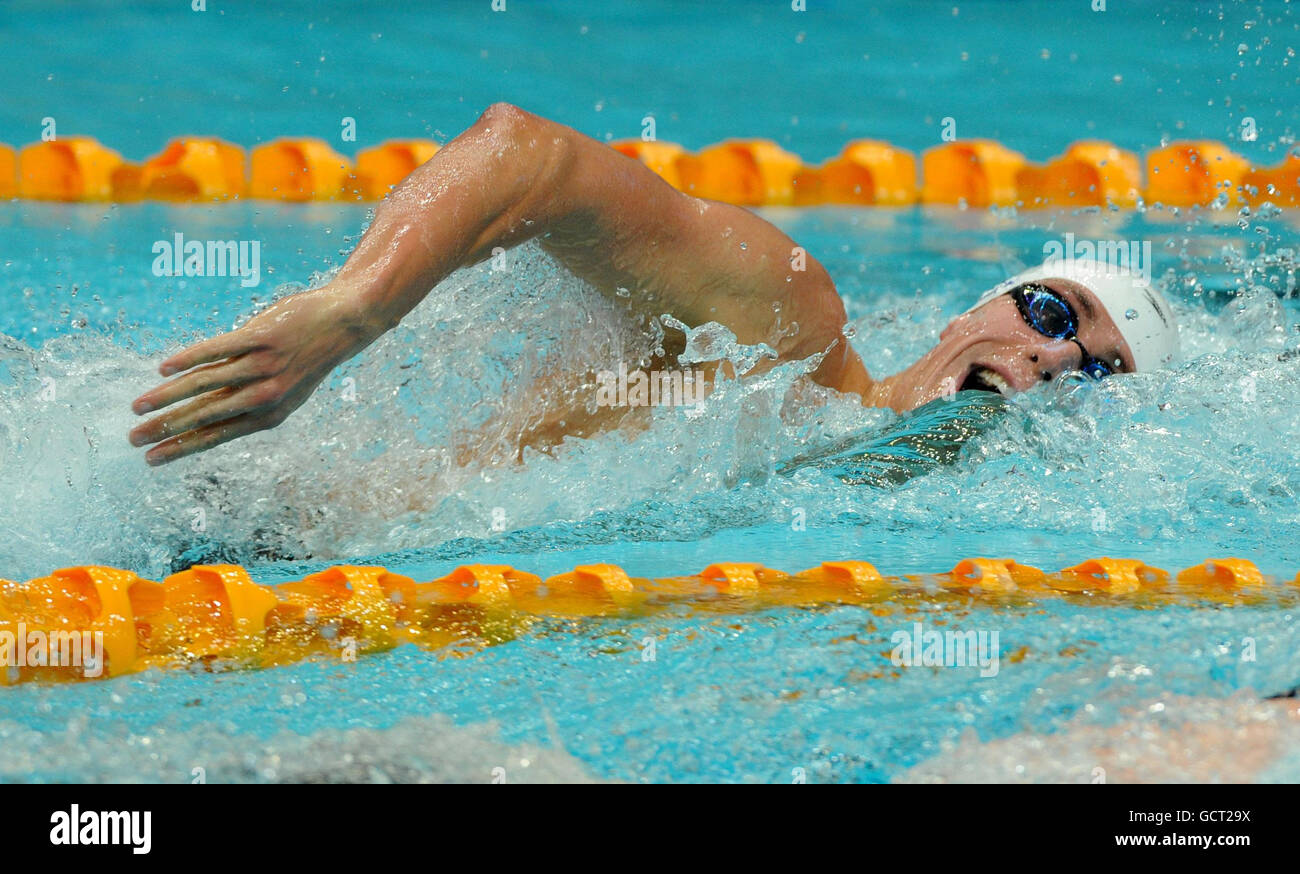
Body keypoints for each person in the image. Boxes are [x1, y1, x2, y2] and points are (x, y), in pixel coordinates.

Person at [128, 103, 1179, 467]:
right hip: (232, 482)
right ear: (976, 307)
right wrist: (355, 311)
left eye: (1099, 374)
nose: (1050, 356)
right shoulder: (787, 325)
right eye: (1051, 312)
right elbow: (528, 154)